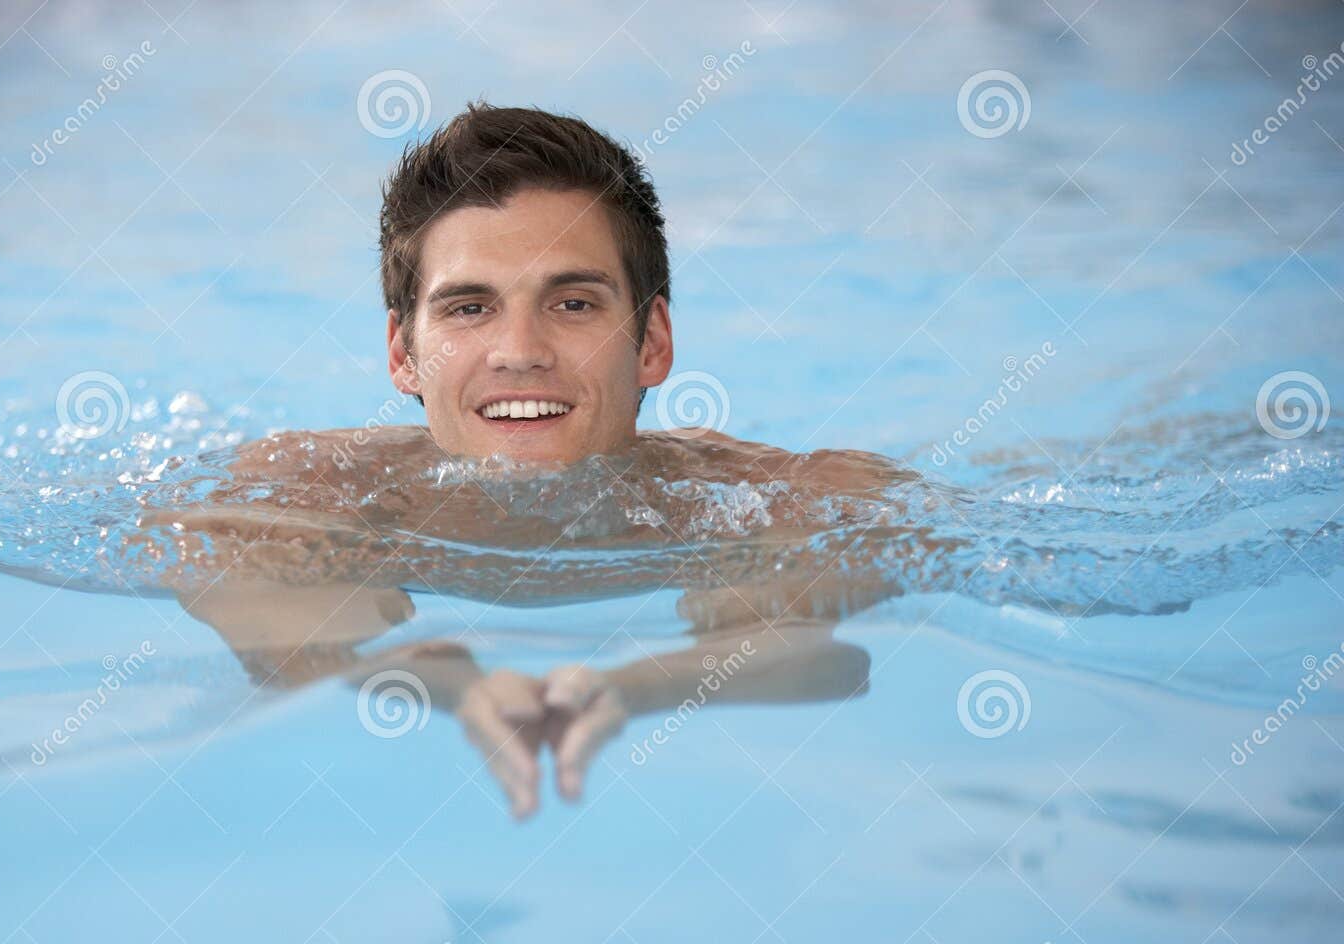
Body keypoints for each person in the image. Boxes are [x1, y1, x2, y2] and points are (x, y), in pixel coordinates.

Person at [137, 103, 911, 819]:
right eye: (469, 307)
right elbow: (287, 640)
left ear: (652, 342)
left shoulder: (775, 497)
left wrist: (626, 688)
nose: (520, 352)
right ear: (404, 355)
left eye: (573, 303)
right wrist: (437, 681)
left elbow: (820, 659)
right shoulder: (307, 489)